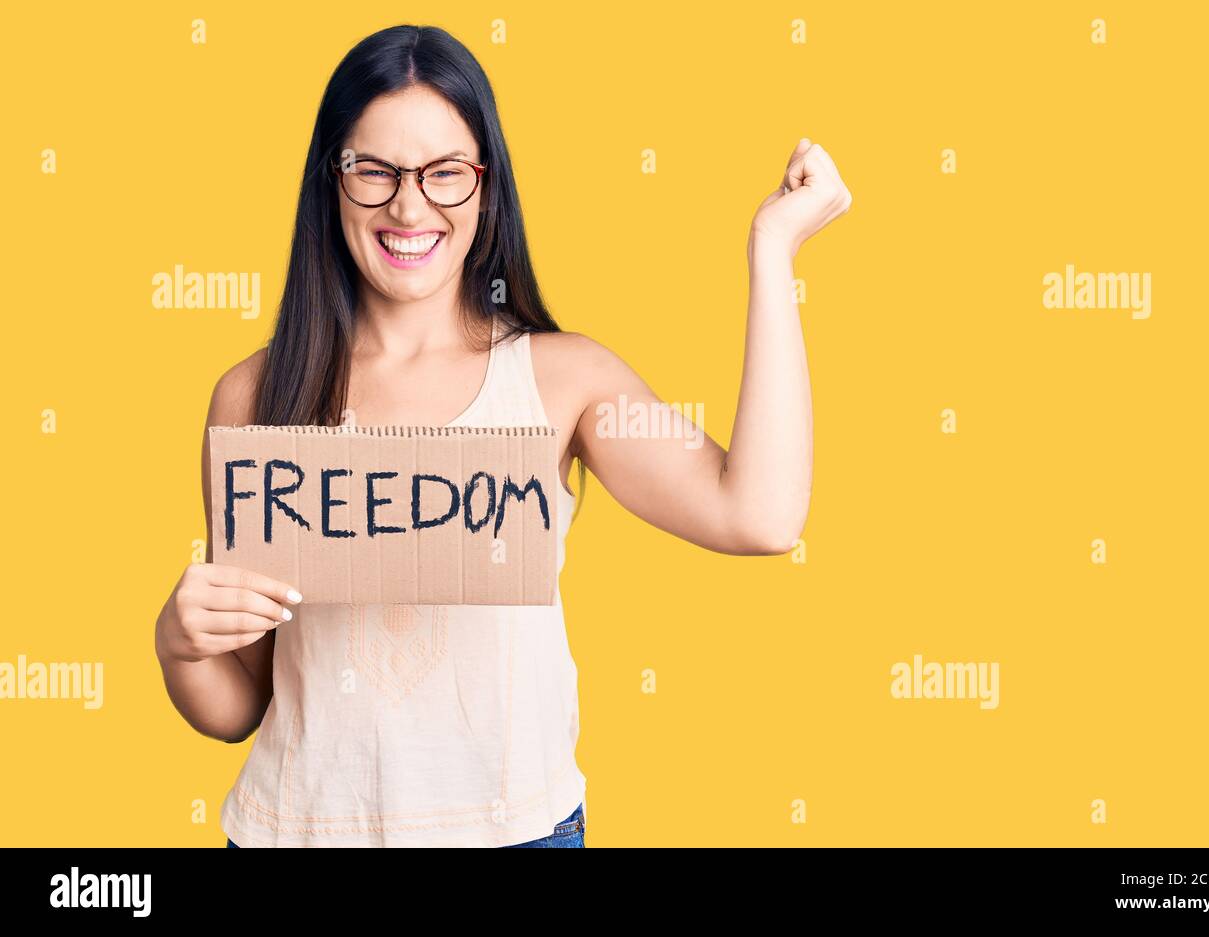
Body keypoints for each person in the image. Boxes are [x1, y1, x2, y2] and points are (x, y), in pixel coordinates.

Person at [153, 24, 851, 847]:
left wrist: (773, 252)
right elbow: (245, 707)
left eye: (445, 173)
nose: (409, 206)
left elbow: (761, 516)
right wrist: (179, 643)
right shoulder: (255, 395)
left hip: (515, 833)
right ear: (331, 182)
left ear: (485, 186)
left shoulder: (562, 382)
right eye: (373, 171)